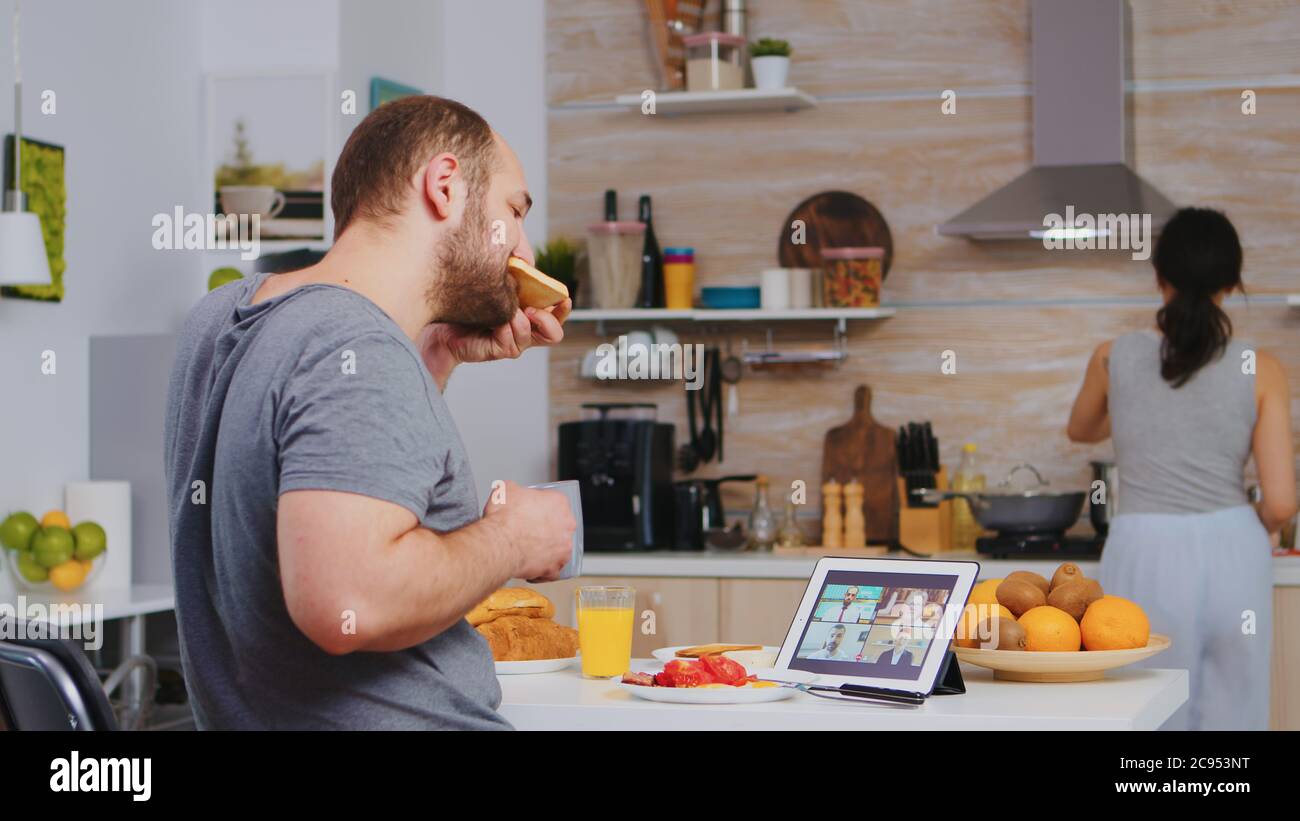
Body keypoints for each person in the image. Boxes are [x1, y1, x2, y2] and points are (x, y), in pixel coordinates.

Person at [164, 96, 576, 730]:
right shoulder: (354, 344)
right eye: (513, 211)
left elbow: (340, 455)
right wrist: (514, 538)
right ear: (445, 186)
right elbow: (346, 601)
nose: (523, 245)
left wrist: (431, 357)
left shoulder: (222, 316)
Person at [1067, 207, 1295, 730]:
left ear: (1159, 276)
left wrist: (1134, 411)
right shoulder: (1261, 369)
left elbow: (1081, 428)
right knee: (1234, 708)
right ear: (1233, 282)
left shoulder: (1113, 357)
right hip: (1234, 544)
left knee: (1146, 700)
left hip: (1144, 543)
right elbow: (1281, 502)